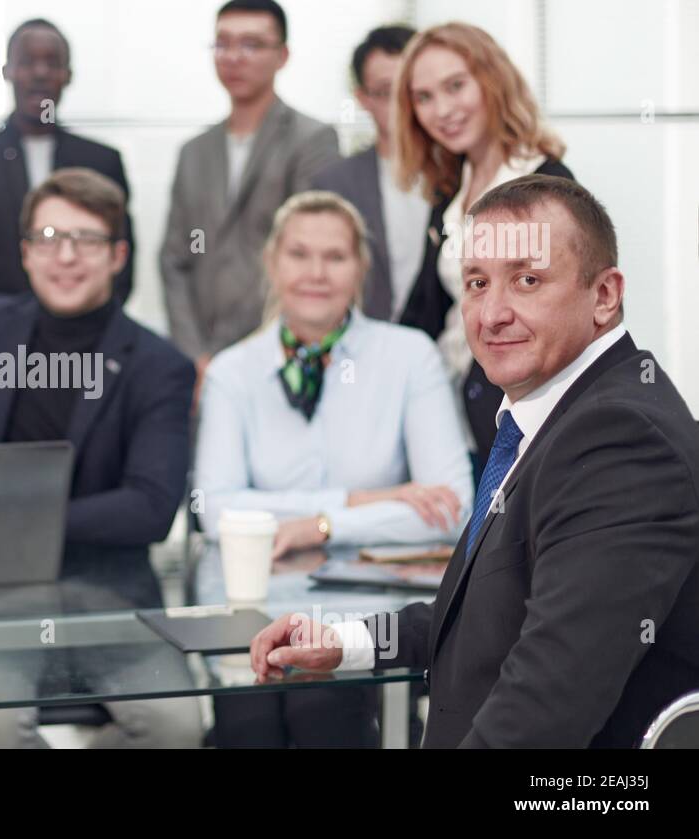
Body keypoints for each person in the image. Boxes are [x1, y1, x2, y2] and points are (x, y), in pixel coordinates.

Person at [250, 175, 699, 749]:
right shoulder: (555, 411)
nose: (491, 315)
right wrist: (347, 641)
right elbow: (491, 612)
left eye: (527, 280)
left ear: (605, 295)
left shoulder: (620, 439)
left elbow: (549, 699)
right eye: (477, 283)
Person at [0, 168, 201, 747]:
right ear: (26, 254)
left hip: (110, 594)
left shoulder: (159, 364)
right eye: (48, 238)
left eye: (85, 240)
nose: (65, 256)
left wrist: (12, 515)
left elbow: (151, 508)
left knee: (177, 726)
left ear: (116, 256)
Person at [195, 190, 472, 746]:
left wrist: (320, 527)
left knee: (323, 710)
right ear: (272, 264)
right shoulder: (234, 372)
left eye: (335, 256)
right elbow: (215, 509)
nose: (316, 273)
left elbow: (452, 510)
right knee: (247, 723)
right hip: (256, 608)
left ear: (360, 269)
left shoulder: (408, 356)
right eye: (299, 254)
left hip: (374, 614)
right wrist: (362, 501)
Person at [392, 22, 573, 456]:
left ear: (492, 81)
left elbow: (563, 317)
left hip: (524, 415)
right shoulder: (450, 192)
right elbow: (425, 313)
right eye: (424, 97)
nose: (442, 109)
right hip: (457, 411)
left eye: (456, 86)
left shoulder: (547, 185)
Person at [160, 0, 340, 388]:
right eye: (223, 44)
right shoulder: (194, 152)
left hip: (281, 352)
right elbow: (175, 259)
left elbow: (311, 254)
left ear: (283, 55)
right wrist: (193, 354)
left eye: (252, 45)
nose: (234, 57)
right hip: (201, 358)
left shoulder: (312, 141)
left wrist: (267, 348)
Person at [0, 18, 136, 301]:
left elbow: (121, 260)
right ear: (8, 71)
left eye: (52, 63)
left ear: (68, 75)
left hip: (88, 336)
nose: (40, 73)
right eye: (28, 62)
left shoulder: (102, 162)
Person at [312, 25, 429, 323]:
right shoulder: (334, 184)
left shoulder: (465, 173)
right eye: (387, 91)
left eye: (412, 87)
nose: (403, 104)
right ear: (363, 98)